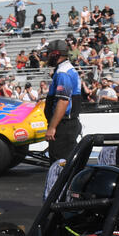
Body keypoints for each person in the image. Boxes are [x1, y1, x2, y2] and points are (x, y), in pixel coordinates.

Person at [42, 39, 83, 194]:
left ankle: (62, 203)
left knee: (60, 168)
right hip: (68, 125)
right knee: (67, 166)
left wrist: (52, 127)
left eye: (48, 53)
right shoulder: (67, 69)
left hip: (64, 127)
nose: (46, 57)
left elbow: (63, 101)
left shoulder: (63, 72)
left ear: (55, 54)